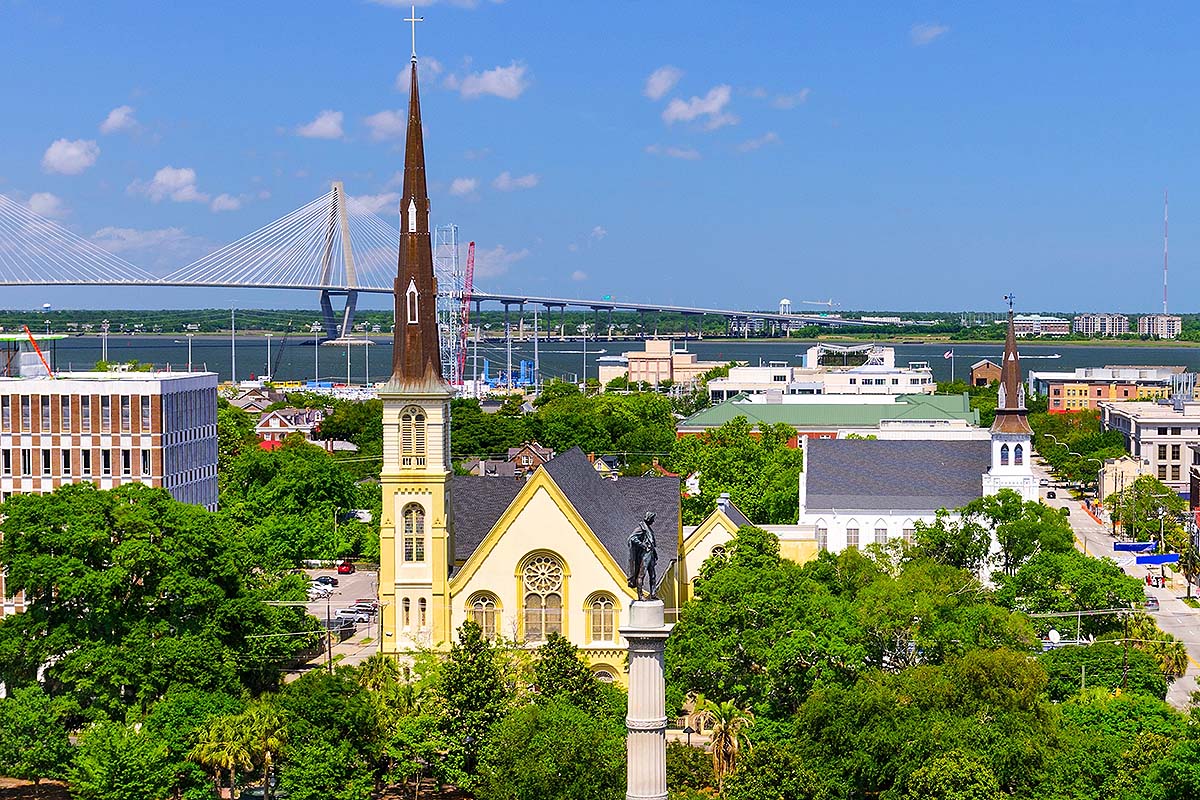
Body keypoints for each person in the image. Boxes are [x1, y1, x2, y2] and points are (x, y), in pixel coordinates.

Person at [627, 511, 658, 601]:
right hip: (645, 555)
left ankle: (653, 594)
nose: (653, 521)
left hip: (651, 553)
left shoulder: (648, 528)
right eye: (653, 519)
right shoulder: (641, 528)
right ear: (649, 519)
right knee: (641, 575)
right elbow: (632, 538)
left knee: (653, 575)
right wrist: (643, 545)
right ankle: (640, 595)